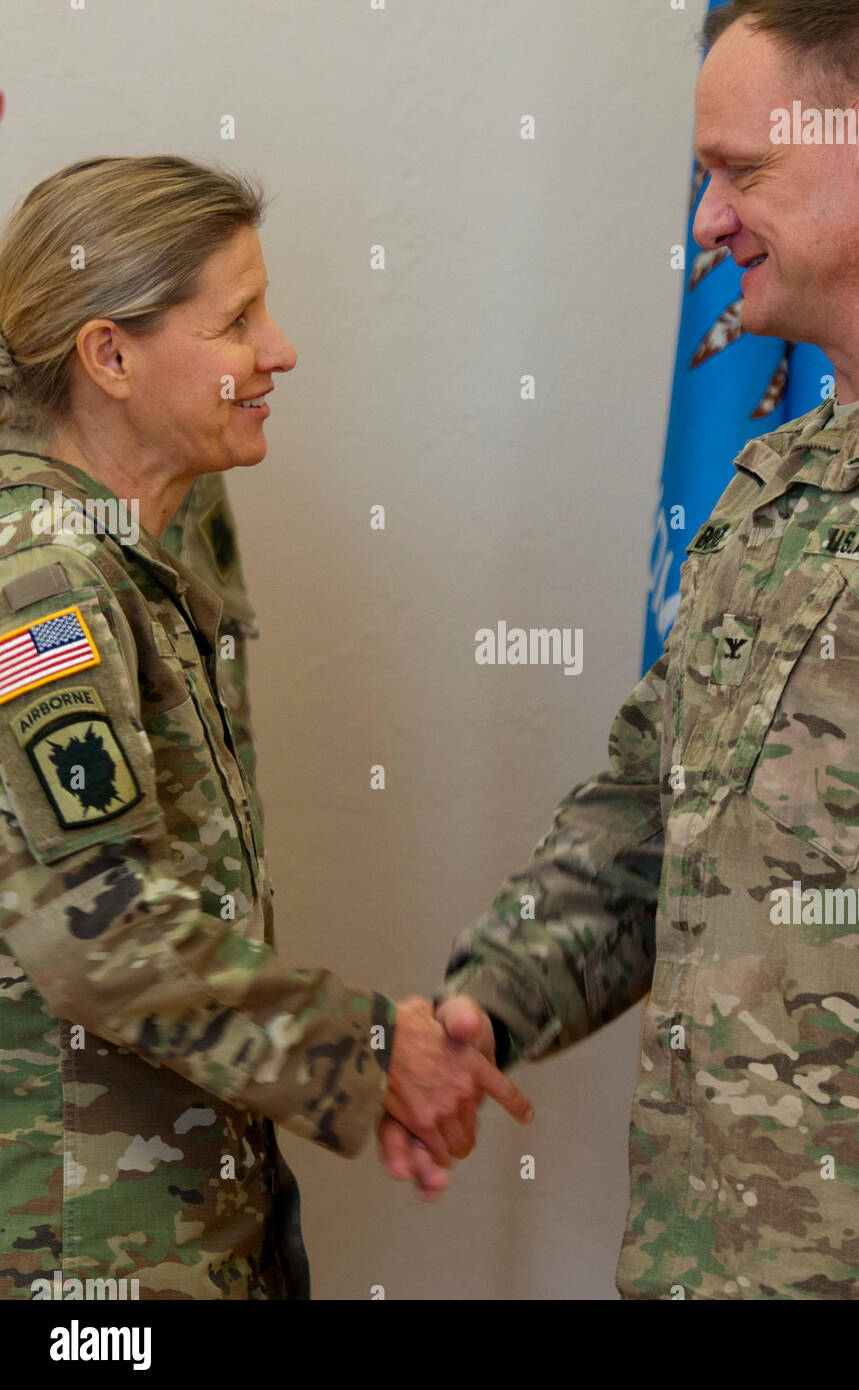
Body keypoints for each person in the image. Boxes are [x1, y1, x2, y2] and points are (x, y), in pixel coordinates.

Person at [380, 0, 859, 1300]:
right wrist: (481, 1010)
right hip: (706, 1261)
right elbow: (652, 804)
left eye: (737, 170)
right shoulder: (771, 483)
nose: (704, 220)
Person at [0, 155, 532, 1300]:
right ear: (110, 355)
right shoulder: (42, 577)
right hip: (84, 1265)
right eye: (237, 319)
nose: (279, 348)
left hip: (190, 1220)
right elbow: (93, 930)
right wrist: (366, 1051)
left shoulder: (151, 538)